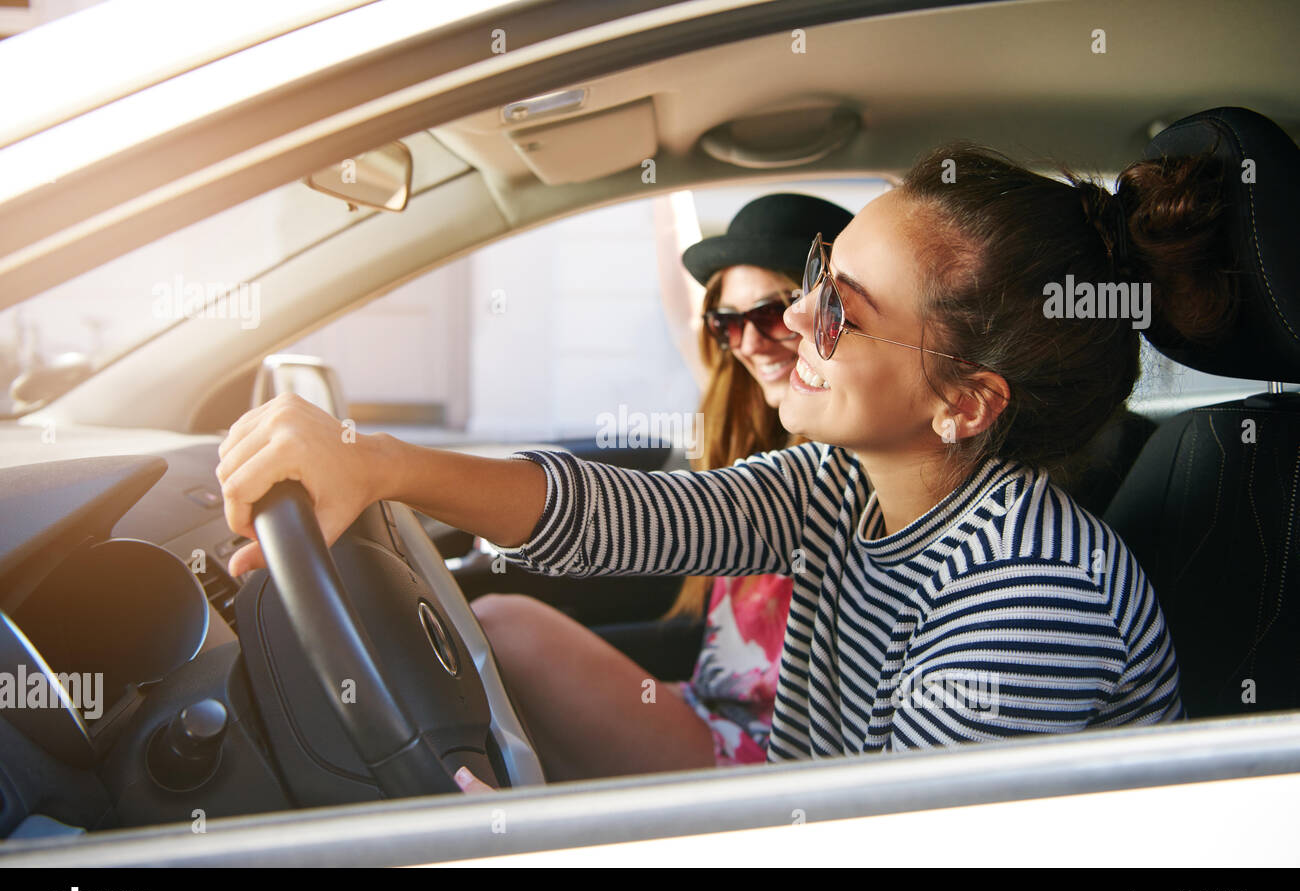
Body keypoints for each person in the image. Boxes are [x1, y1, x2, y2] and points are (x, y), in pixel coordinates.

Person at [218, 141, 1231, 790]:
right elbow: (632, 517)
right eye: (817, 279)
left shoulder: (1030, 587)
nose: (794, 320)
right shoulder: (838, 488)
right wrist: (383, 461)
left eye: (840, 310)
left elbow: (904, 853)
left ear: (962, 402)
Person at [469, 192, 855, 780]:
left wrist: (390, 470)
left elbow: (611, 518)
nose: (749, 343)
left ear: (826, 315)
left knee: (502, 625)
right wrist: (661, 181)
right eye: (728, 322)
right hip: (706, 705)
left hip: (761, 758)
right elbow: (683, 311)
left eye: (773, 313)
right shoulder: (746, 420)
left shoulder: (850, 457)